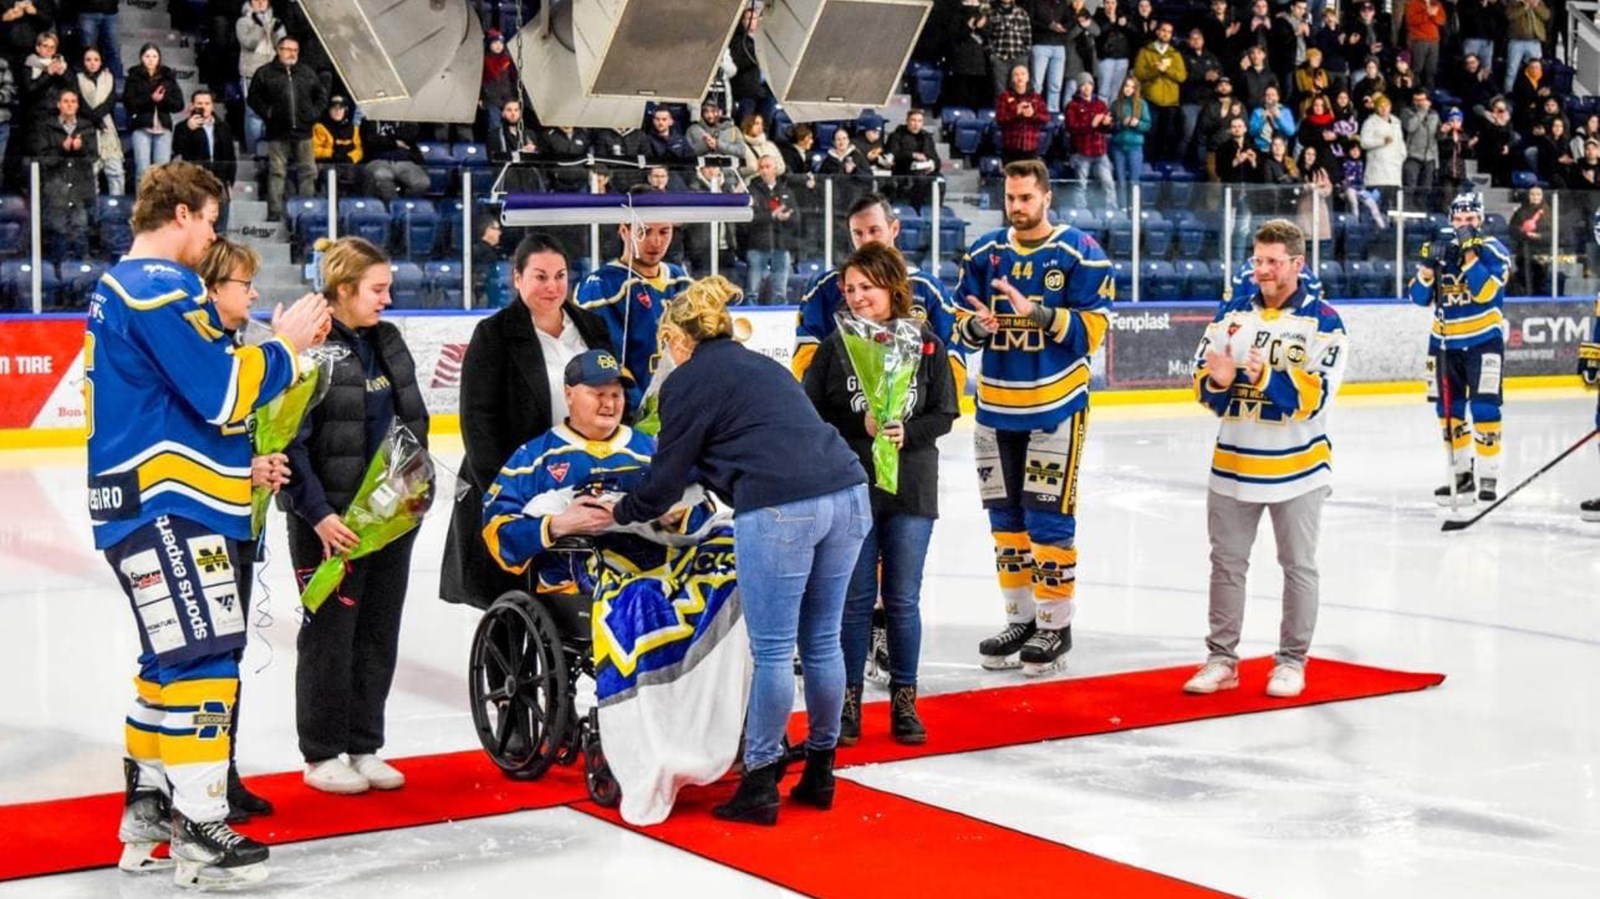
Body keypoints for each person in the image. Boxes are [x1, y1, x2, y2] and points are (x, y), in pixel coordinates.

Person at [88, 161, 328, 888]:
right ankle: (199, 821)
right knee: (204, 655)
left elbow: (176, 408)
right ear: (184, 213)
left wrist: (236, 470)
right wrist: (285, 346)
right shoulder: (159, 286)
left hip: (142, 503)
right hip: (168, 507)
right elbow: (223, 393)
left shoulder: (117, 288)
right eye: (212, 220)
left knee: (167, 663)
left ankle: (149, 808)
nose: (214, 236)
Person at [604, 276, 870, 827]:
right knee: (821, 641)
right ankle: (820, 770)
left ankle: (760, 781)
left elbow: (663, 483)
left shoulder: (687, 381)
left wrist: (621, 511)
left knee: (772, 651)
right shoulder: (763, 366)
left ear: (680, 338)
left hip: (781, 508)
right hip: (848, 492)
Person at [282, 236, 431, 795]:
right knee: (329, 636)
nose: (387, 299)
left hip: (388, 521)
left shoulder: (389, 342)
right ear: (343, 290)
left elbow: (413, 425)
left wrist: (406, 500)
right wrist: (318, 515)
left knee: (377, 634)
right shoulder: (313, 349)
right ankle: (321, 753)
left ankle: (365, 745)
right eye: (378, 289)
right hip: (330, 526)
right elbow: (288, 443)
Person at [955, 159, 1113, 675]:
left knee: (1049, 519)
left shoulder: (1079, 253)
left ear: (1047, 197)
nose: (1017, 207)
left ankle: (1054, 625)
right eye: (1010, 198)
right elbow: (959, 324)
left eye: (1026, 198)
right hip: (995, 409)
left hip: (1055, 409)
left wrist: (1039, 314)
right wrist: (976, 327)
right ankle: (1020, 619)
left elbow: (1094, 330)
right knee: (1006, 523)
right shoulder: (984, 253)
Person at [1183, 218, 1347, 699]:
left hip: (1299, 469)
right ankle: (1221, 660)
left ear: (1298, 263)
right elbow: (1203, 383)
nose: (1263, 270)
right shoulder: (1232, 314)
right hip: (1233, 464)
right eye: (1257, 260)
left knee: (1298, 566)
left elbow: (1316, 395)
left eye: (1273, 262)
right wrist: (1217, 381)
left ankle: (1292, 661)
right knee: (1226, 565)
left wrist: (1260, 379)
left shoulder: (1325, 321)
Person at [802, 244, 958, 746]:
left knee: (902, 600)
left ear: (891, 286)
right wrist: (859, 423)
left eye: (866, 287)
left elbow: (945, 412)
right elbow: (813, 412)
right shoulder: (835, 345)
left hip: (911, 487)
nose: (857, 297)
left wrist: (904, 432)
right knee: (854, 601)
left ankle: (904, 703)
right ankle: (848, 704)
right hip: (854, 488)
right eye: (849, 289)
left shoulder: (926, 343)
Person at [439, 233, 615, 609]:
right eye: (540, 276)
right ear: (517, 278)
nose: (552, 287)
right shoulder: (494, 334)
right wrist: (510, 498)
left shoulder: (592, 328)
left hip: (581, 480)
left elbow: (614, 399)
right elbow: (478, 424)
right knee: (515, 605)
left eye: (560, 275)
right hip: (517, 484)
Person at [193, 236, 297, 825]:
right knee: (201, 658)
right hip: (199, 525)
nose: (254, 293)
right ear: (213, 289)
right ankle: (196, 783)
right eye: (243, 284)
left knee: (226, 656)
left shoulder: (246, 345)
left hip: (238, 523)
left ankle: (220, 774)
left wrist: (266, 464)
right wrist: (242, 467)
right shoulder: (198, 353)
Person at [792, 193, 964, 388]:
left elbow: (952, 356)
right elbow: (806, 352)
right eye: (857, 233)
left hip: (913, 412)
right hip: (840, 411)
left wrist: (938, 412)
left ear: (894, 228)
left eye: (874, 230)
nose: (866, 240)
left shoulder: (928, 289)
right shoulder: (825, 287)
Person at [1406, 192, 1512, 504]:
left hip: (1484, 341)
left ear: (1481, 220)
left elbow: (1484, 292)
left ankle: (1489, 475)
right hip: (1443, 344)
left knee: (1484, 409)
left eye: (1471, 219)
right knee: (1448, 411)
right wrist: (1427, 268)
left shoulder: (1494, 250)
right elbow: (1417, 299)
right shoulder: (1441, 249)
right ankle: (1461, 473)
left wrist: (1469, 256)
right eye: (1460, 219)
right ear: (1451, 220)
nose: (1465, 225)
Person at [575, 215, 692, 397]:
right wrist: (633, 409)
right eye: (643, 232)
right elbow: (604, 361)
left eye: (664, 232)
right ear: (624, 231)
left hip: (679, 404)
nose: (656, 242)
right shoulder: (602, 285)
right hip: (627, 410)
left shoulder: (680, 278)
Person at [248, 36, 326, 223]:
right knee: (277, 173)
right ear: (278, 50)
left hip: (304, 132)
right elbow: (253, 98)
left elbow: (321, 96)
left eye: (295, 50)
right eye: (288, 49)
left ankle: (307, 212)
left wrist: (312, 115)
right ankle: (275, 213)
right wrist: (269, 113)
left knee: (308, 172)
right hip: (278, 131)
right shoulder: (264, 73)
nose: (292, 54)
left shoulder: (307, 72)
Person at [32, 89, 97, 260]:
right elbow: (42, 158)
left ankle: (83, 271)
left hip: (80, 188)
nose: (70, 105)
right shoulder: (46, 127)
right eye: (66, 101)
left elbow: (93, 157)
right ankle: (57, 274)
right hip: (56, 188)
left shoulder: (87, 127)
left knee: (80, 228)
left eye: (73, 101)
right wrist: (63, 149)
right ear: (58, 105)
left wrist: (80, 149)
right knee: (58, 230)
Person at [172, 90, 239, 233]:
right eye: (199, 104)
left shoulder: (223, 127)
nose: (204, 107)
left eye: (207, 103)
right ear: (192, 106)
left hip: (219, 181)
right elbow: (177, 150)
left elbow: (230, 157)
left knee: (220, 228)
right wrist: (188, 130)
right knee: (196, 225)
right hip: (195, 182)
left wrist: (230, 182)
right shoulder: (182, 127)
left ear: (212, 106)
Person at [125, 43, 184, 185]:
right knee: (143, 171)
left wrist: (162, 99)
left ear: (159, 58)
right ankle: (142, 204)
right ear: (141, 58)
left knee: (163, 172)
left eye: (154, 56)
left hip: (163, 128)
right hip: (141, 127)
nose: (151, 60)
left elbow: (178, 104)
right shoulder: (134, 77)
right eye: (147, 56)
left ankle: (160, 205)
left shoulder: (168, 78)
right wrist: (150, 99)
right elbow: (129, 102)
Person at [744, 153, 799, 305]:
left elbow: (796, 218)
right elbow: (749, 218)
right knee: (752, 291)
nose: (764, 171)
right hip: (758, 244)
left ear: (775, 169)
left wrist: (786, 218)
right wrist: (772, 216)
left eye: (767, 167)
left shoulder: (786, 191)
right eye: (761, 167)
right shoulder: (751, 191)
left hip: (781, 244)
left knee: (780, 292)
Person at [76, 46, 124, 196]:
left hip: (107, 128)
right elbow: (80, 103)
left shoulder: (109, 78)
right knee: (91, 173)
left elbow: (110, 102)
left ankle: (116, 211)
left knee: (115, 171)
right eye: (88, 59)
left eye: (96, 59)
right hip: (85, 127)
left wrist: (97, 118)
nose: (92, 63)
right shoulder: (77, 79)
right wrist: (96, 121)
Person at [995, 64, 1050, 163]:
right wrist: (1015, 113)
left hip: (1030, 148)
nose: (1020, 77)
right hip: (1010, 148)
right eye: (1016, 75)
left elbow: (1046, 118)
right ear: (1012, 79)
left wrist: (1033, 114)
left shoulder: (1036, 98)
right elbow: (999, 119)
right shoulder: (1004, 96)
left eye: (1022, 74)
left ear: (1028, 77)